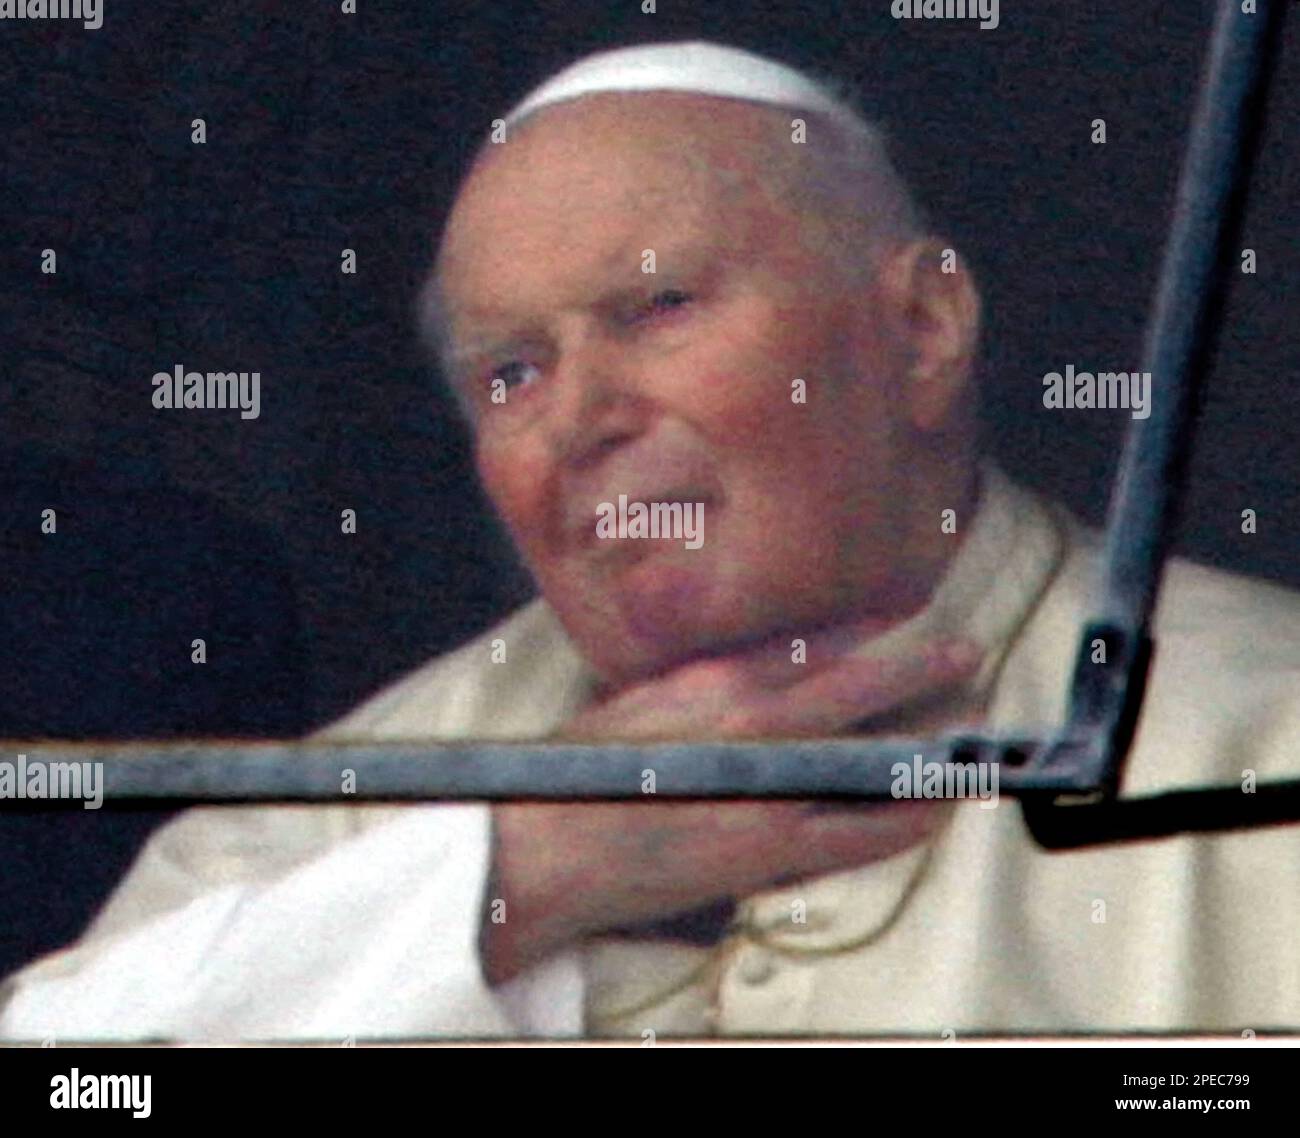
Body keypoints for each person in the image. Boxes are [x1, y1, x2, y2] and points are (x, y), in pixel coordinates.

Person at [2, 40, 1298, 1042]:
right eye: (510, 371)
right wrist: (515, 875)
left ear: (917, 330)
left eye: (659, 306)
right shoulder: (357, 794)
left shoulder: (1263, 743)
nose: (575, 419)